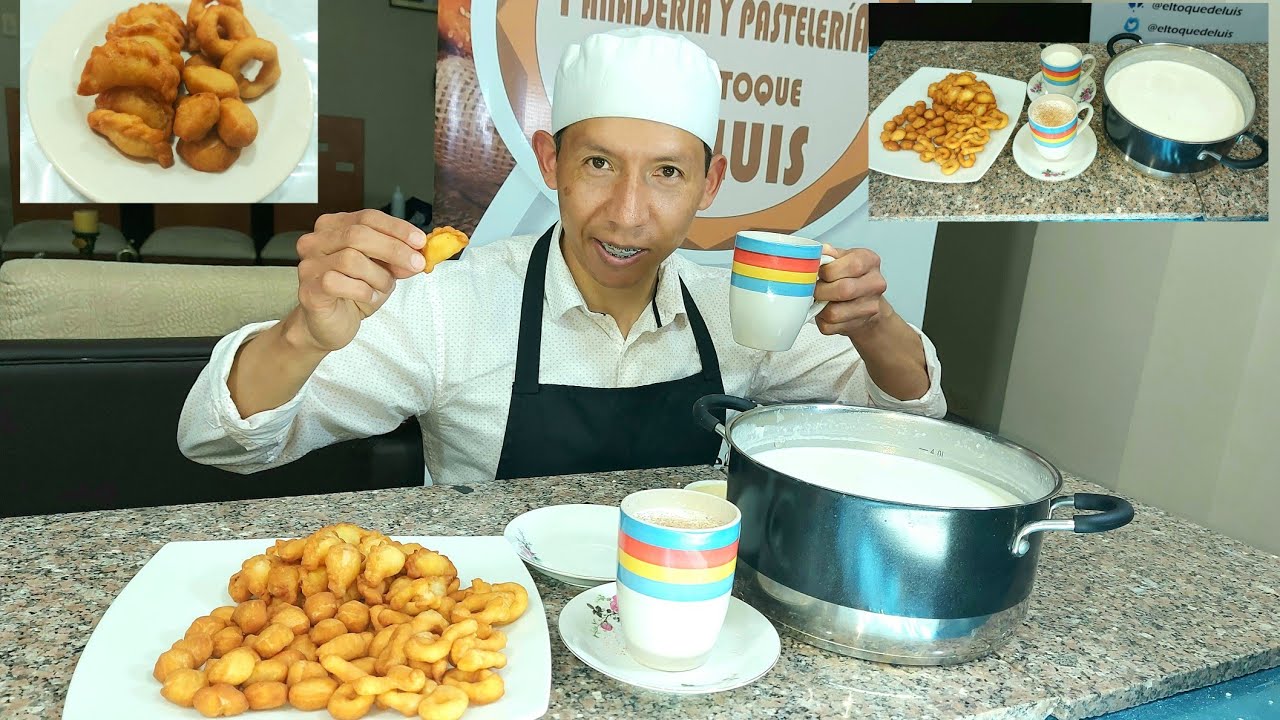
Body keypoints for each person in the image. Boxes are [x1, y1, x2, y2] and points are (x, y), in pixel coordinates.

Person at [178, 28, 946, 486]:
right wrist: (302, 336)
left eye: (667, 173)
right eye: (598, 164)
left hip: (680, 620)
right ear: (550, 162)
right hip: (487, 636)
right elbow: (218, 442)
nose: (627, 214)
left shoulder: (740, 314)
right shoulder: (453, 306)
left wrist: (874, 326)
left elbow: (908, 424)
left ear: (710, 184)